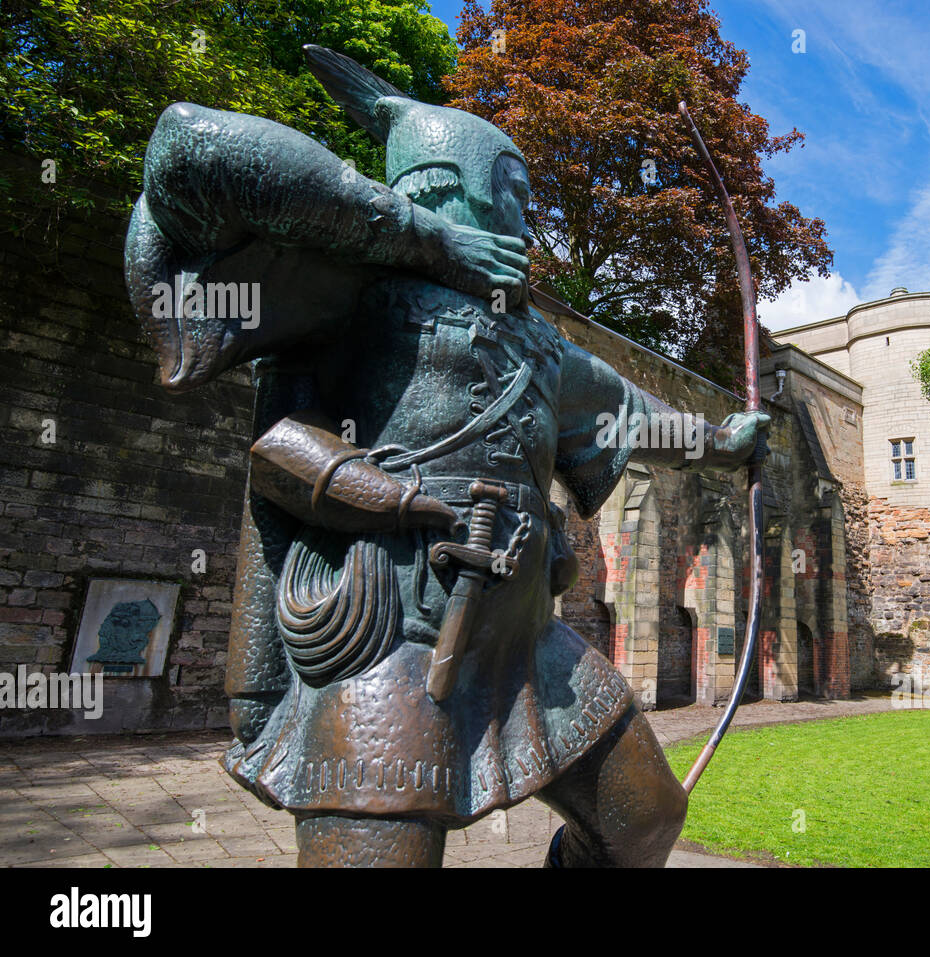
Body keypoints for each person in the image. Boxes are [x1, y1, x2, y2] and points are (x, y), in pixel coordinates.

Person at [124, 46, 768, 867]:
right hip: (387, 638)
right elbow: (186, 147)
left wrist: (723, 441)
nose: (529, 220)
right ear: (449, 185)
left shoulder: (542, 345)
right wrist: (427, 241)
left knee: (643, 819)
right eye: (514, 195)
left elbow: (636, 415)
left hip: (527, 641)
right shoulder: (353, 286)